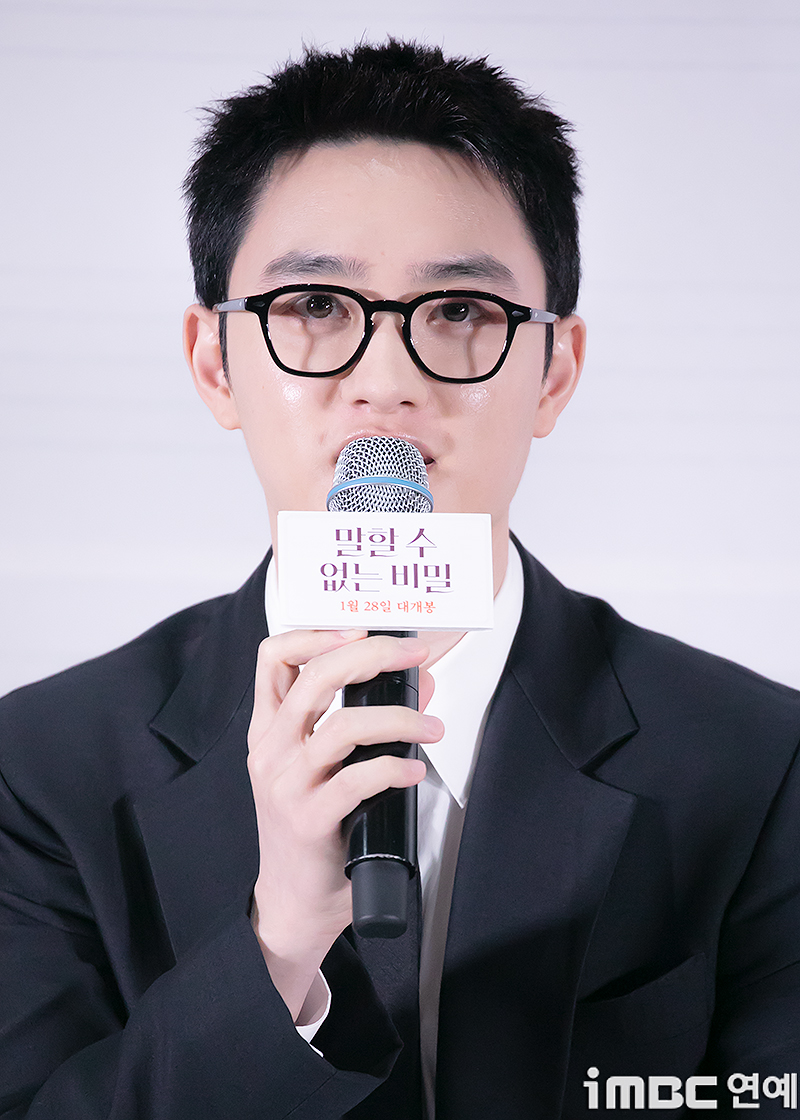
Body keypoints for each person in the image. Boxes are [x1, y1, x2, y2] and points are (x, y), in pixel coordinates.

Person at [1, 39, 799, 1120]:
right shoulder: (38, 769)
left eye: (459, 312)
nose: (385, 382)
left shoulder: (758, 761)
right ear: (214, 362)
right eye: (315, 307)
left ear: (554, 371)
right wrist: (280, 941)